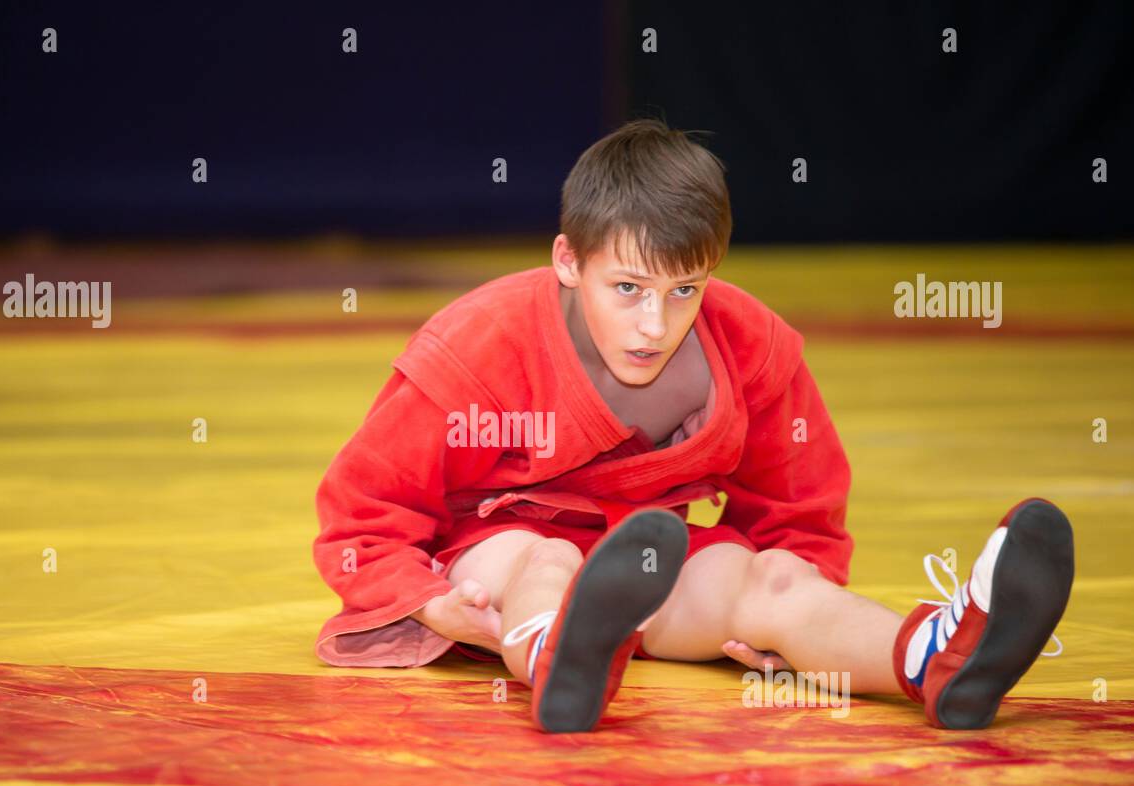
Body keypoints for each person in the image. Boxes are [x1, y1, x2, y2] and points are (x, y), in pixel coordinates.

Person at [312, 118, 1074, 733]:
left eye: (685, 290)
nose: (655, 323)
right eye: (628, 287)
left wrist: (786, 614)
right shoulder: (476, 343)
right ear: (567, 261)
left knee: (767, 580)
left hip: (644, 568)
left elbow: (797, 507)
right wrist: (428, 603)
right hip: (492, 570)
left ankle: (935, 658)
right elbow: (362, 512)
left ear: (714, 269)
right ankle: (557, 657)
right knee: (542, 560)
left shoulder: (750, 345)